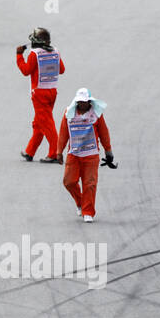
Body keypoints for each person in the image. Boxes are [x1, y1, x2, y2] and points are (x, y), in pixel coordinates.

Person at [56, 88, 115, 222]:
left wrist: (108, 150)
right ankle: (80, 202)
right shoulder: (69, 114)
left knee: (90, 183)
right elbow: (63, 133)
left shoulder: (95, 115)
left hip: (91, 155)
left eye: (85, 102)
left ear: (89, 102)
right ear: (76, 102)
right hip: (74, 155)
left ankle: (88, 211)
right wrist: (59, 151)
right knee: (69, 182)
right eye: (80, 102)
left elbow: (104, 132)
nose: (82, 104)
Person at [16, 27, 65, 162]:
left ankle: (55, 153)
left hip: (39, 94)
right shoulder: (55, 51)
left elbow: (26, 71)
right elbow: (62, 70)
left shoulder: (34, 54)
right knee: (39, 123)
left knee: (47, 124)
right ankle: (30, 151)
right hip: (52, 92)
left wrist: (19, 56)